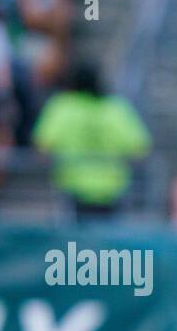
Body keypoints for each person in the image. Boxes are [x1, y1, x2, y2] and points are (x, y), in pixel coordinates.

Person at [31, 61, 150, 219]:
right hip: (111, 189)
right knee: (109, 242)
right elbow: (140, 148)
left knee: (72, 242)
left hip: (72, 187)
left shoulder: (63, 106)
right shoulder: (116, 108)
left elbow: (42, 146)